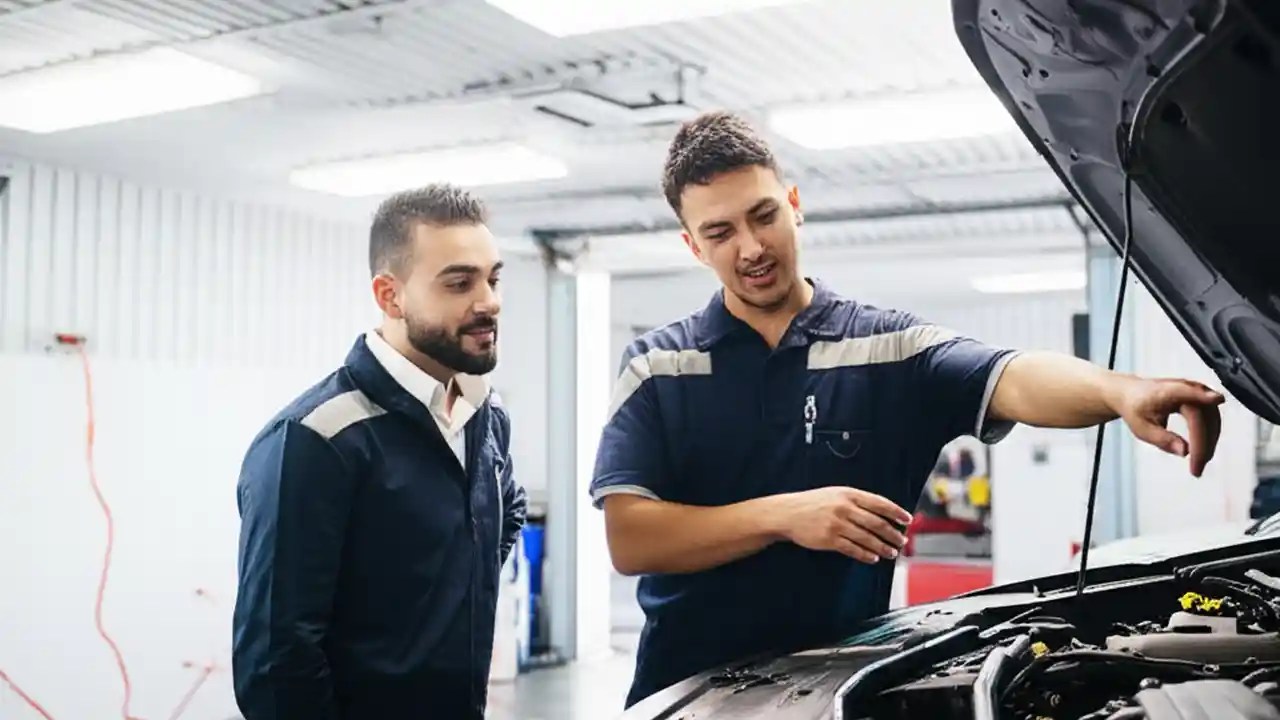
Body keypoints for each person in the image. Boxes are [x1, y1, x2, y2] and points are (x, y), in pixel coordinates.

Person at [590, 111, 1225, 708]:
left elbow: (1015, 375)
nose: (751, 247)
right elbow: (631, 537)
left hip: (836, 695)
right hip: (683, 695)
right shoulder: (657, 366)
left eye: (763, 216)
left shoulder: (887, 348)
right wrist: (786, 516)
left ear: (794, 205)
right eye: (720, 232)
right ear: (694, 247)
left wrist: (1119, 391)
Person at [232, 184, 527, 719]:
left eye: (493, 278)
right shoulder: (315, 439)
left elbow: (506, 513)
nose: (488, 302)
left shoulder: (485, 413)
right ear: (390, 296)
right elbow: (277, 666)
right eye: (460, 283)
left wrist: (442, 596)